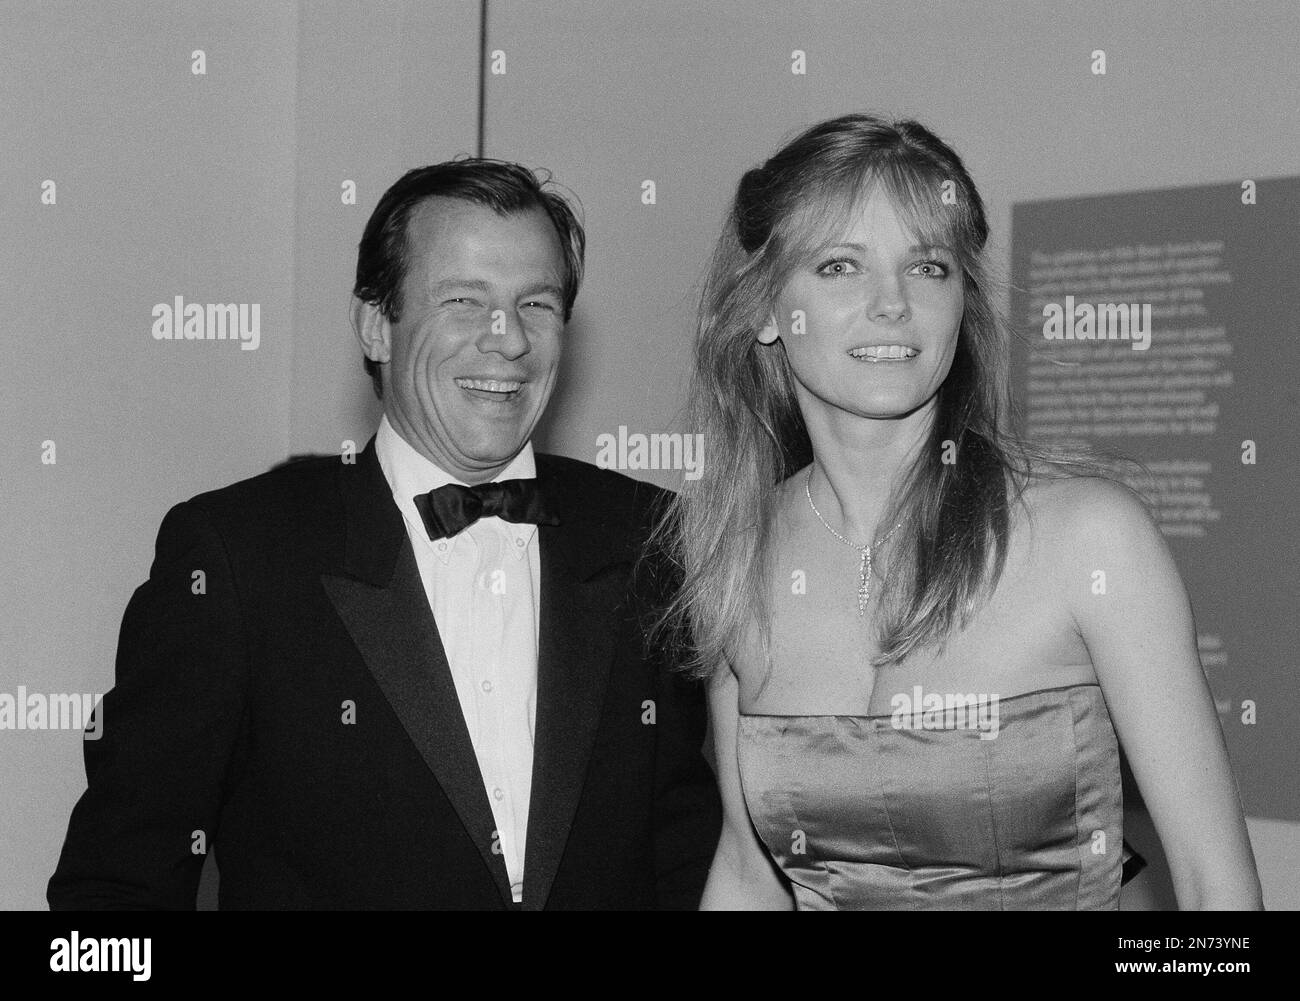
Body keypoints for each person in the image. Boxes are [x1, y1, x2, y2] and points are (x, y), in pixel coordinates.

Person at [48, 158, 720, 910]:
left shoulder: (651, 539)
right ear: (375, 324)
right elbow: (109, 898)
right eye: (464, 300)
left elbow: (689, 859)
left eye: (537, 304)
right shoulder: (239, 557)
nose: (508, 340)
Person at [655, 113, 1261, 910]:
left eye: (928, 267)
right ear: (765, 308)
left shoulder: (1087, 537)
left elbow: (1218, 889)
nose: (892, 304)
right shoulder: (736, 553)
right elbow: (747, 868)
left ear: (960, 302)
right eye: (840, 265)